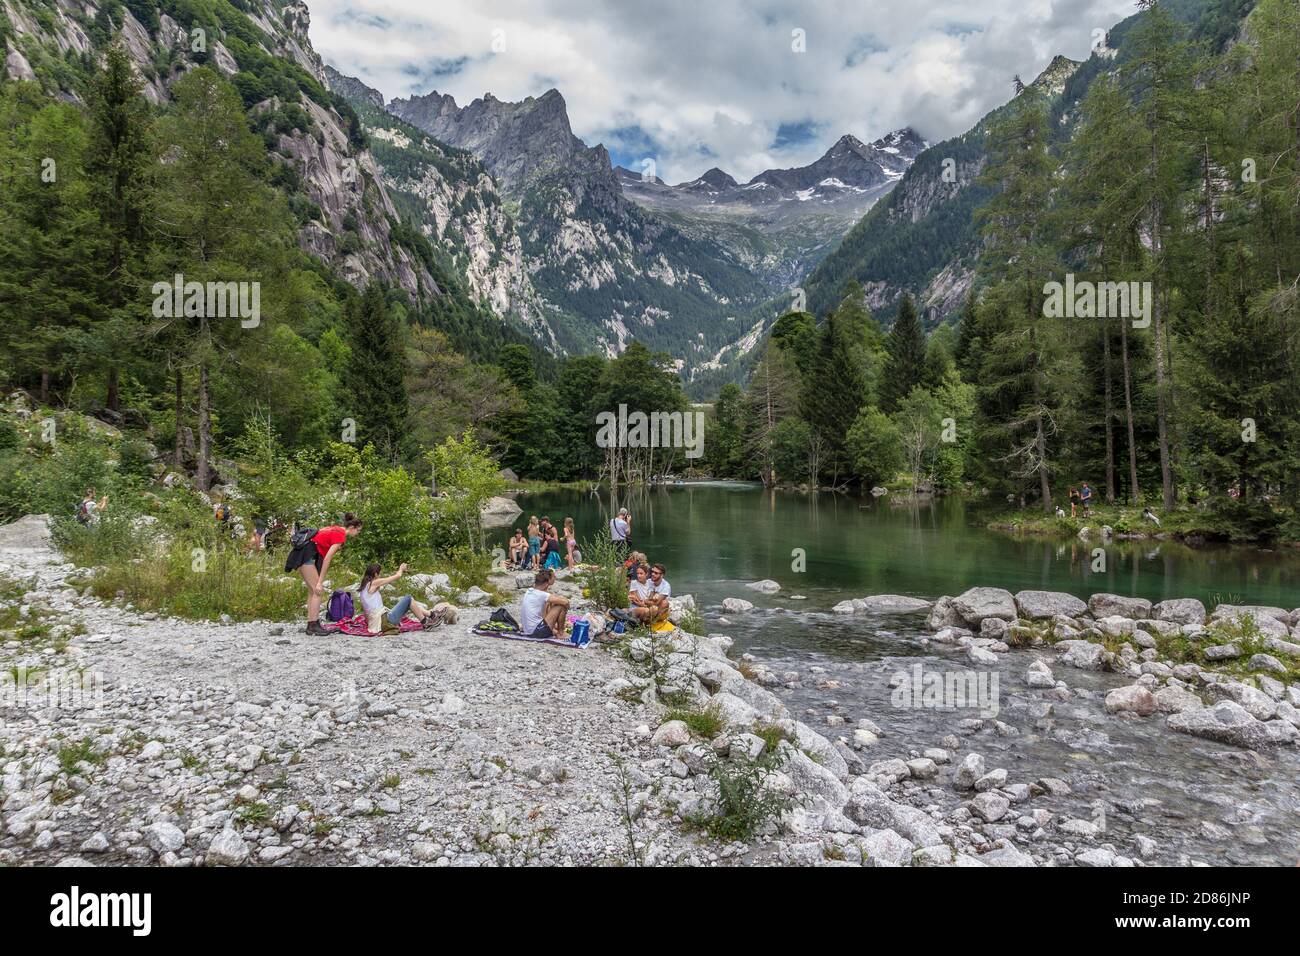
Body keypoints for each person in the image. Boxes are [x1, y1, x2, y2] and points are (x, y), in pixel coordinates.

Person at [284, 514, 363, 635]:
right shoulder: (340, 536)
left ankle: (311, 624)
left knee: (312, 591)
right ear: (351, 527)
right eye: (358, 530)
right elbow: (327, 558)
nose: (358, 533)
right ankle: (313, 625)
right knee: (318, 590)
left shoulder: (335, 528)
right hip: (306, 556)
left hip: (302, 554)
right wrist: (320, 582)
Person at [357, 562, 443, 633]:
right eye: (379, 573)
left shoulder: (363, 589)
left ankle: (432, 615)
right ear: (375, 574)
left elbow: (366, 613)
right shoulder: (374, 582)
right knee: (408, 598)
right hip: (386, 622)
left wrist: (372, 625)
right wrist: (401, 568)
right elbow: (398, 576)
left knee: (410, 602)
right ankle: (425, 622)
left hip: (377, 623)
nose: (380, 576)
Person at [520, 568, 569, 639]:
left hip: (528, 630)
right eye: (553, 577)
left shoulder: (529, 591)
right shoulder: (542, 595)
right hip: (536, 632)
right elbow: (565, 602)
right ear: (548, 582)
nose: (555, 578)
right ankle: (561, 633)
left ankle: (556, 630)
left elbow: (542, 615)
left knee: (552, 603)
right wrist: (566, 607)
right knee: (560, 606)